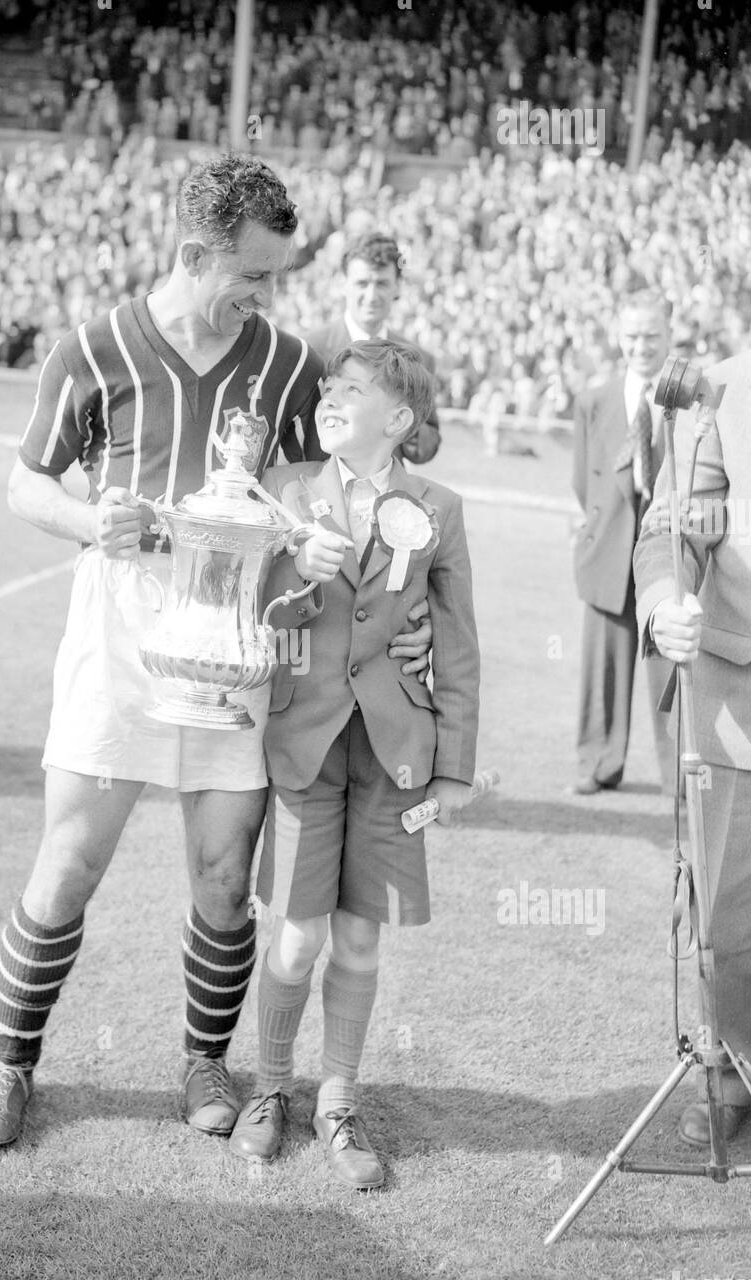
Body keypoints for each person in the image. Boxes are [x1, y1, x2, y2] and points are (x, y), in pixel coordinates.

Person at [0, 155, 432, 1149]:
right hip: (120, 635)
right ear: (190, 254)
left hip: (237, 641)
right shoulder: (91, 351)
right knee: (68, 861)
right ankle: (9, 1067)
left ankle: (203, 1062)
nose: (265, 298)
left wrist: (312, 536)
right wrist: (93, 521)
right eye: (251, 277)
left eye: (275, 278)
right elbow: (22, 485)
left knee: (223, 877)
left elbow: (311, 480)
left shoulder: (285, 361)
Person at [227, 340, 479, 1187]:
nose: (330, 399)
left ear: (399, 419)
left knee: (361, 940)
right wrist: (295, 568)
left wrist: (453, 768)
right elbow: (253, 610)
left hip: (396, 754)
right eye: (327, 389)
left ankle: (337, 1100)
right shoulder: (290, 489)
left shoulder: (439, 507)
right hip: (304, 744)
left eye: (352, 391)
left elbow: (457, 645)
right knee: (296, 940)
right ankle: (269, 1088)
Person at [633, 225, 751, 1201]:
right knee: (727, 932)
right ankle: (725, 1074)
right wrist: (662, 598)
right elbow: (668, 528)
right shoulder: (721, 389)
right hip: (738, 717)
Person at [570, 289, 675, 796]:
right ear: (618, 335)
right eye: (632, 336)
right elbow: (581, 481)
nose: (641, 346)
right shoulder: (595, 399)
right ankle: (599, 764)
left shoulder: (687, 397)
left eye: (652, 335)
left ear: (670, 334)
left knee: (670, 669)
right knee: (603, 673)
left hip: (670, 556)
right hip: (608, 550)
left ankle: (679, 775)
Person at [304, 232, 441, 464]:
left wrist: (407, 423)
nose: (371, 295)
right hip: (319, 487)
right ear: (342, 283)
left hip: (385, 494)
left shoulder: (418, 360)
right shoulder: (309, 349)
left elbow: (426, 446)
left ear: (398, 286)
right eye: (362, 283)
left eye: (382, 283)